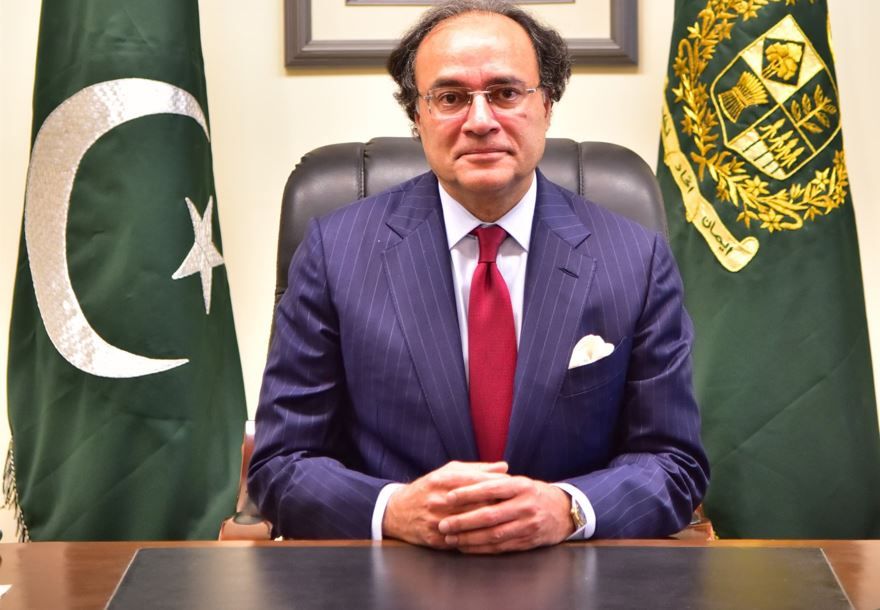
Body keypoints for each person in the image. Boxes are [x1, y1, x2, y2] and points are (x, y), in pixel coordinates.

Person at [248, 0, 708, 554]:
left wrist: (568, 509)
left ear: (547, 105)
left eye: (506, 93)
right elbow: (282, 463)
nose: (481, 120)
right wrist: (394, 510)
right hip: (393, 569)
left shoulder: (634, 258)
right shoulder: (336, 252)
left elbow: (673, 462)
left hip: (572, 567)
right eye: (450, 98)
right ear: (417, 117)